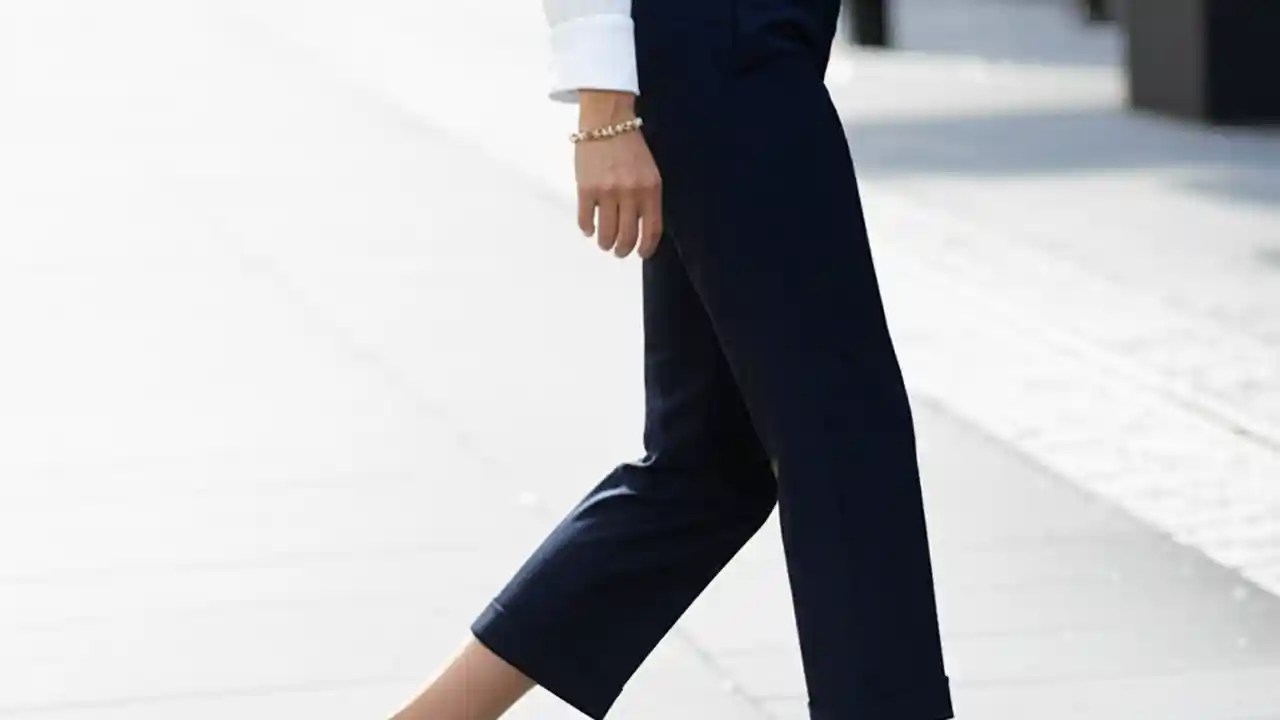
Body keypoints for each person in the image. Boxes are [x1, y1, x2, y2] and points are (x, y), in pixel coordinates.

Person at [392, 0, 954, 717]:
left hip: (747, 48)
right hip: (726, 45)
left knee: (714, 462)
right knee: (845, 437)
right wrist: (604, 109)